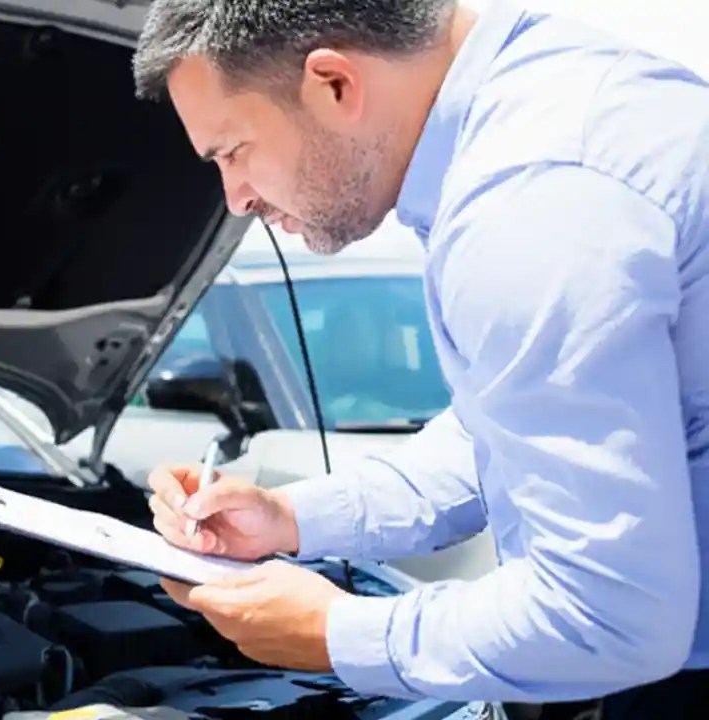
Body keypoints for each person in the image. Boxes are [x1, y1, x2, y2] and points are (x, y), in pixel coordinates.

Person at [133, 0, 709, 717]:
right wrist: (288, 517)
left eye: (232, 151)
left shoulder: (532, 203)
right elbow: (498, 432)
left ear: (334, 85)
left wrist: (334, 631)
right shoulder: (558, 103)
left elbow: (613, 614)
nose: (237, 198)